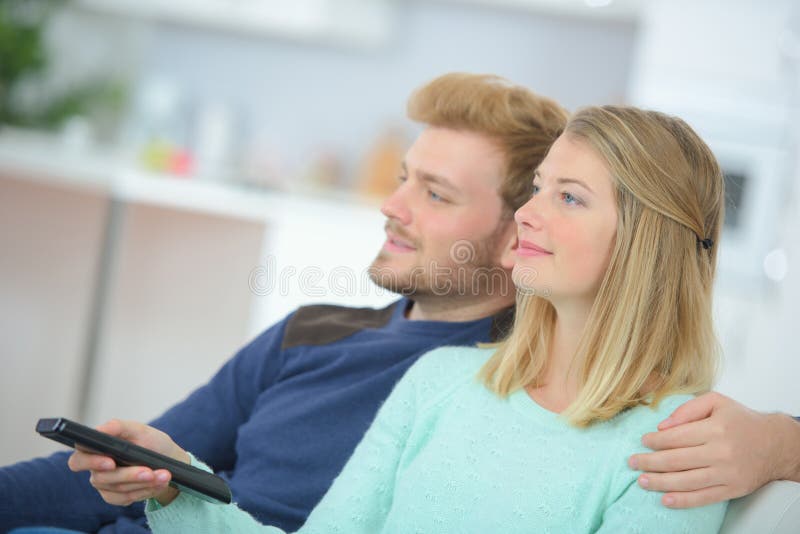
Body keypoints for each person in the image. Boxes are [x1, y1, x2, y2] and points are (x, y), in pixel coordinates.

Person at [2, 74, 799, 533]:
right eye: (403, 178)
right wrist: (172, 483)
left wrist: (782, 441)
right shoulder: (387, 362)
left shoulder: (671, 442)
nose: (393, 205)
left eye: (437, 191)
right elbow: (119, 471)